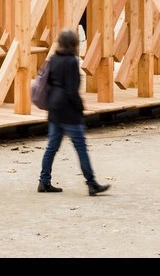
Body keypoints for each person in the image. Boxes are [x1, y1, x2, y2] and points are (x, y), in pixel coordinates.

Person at [37, 28, 111, 196]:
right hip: (69, 111)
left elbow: (48, 82)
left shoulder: (53, 59)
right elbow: (72, 90)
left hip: (54, 108)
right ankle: (92, 183)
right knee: (81, 148)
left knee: (51, 147)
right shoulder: (71, 61)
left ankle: (44, 181)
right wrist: (80, 108)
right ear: (74, 45)